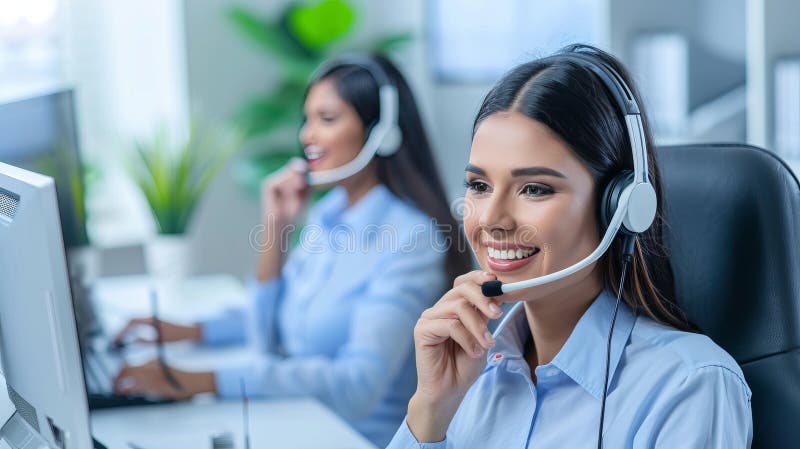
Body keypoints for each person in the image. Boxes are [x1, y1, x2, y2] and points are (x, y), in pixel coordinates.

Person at [388, 45, 752, 448]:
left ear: (622, 204)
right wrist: (430, 410)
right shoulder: (469, 375)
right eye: (479, 185)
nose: (492, 218)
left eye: (535, 189)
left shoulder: (687, 387)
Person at [112, 54, 472, 447]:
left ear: (380, 133)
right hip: (297, 421)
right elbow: (271, 335)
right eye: (308, 119)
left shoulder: (412, 238)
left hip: (356, 437)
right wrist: (275, 230)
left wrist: (203, 380)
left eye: (327, 119)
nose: (306, 135)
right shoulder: (330, 213)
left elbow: (358, 385)